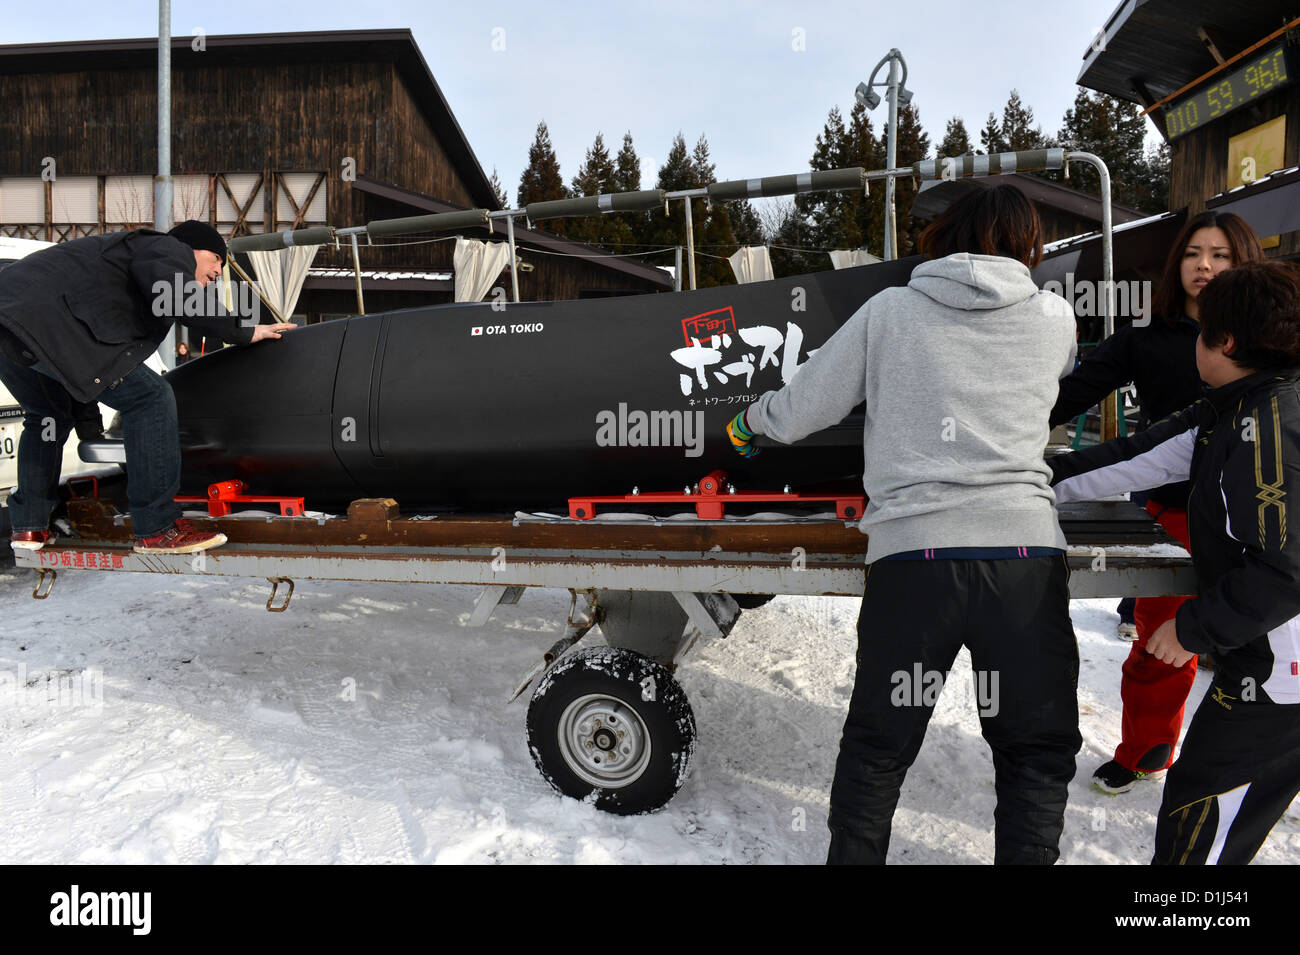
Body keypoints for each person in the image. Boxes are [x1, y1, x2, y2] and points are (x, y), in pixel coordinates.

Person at [727, 184, 1082, 864]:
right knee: (1035, 753)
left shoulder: (891, 310)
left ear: (943, 235)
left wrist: (751, 422)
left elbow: (809, 403)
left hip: (914, 562)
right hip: (1024, 561)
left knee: (879, 747)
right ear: (1029, 243)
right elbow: (1057, 378)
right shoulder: (1054, 319)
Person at [1050, 260, 1300, 864]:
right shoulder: (1231, 410)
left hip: (1279, 673)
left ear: (1227, 342)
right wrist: (1017, 480)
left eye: (1202, 330)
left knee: (1202, 818)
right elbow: (1131, 459)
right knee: (1213, 803)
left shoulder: (1270, 430)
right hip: (1270, 661)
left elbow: (1285, 569)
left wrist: (1192, 631)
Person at [0, 221, 296, 555]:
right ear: (192, 248)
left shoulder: (117, 265)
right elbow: (176, 298)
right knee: (150, 398)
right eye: (216, 259)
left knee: (48, 417)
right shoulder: (167, 248)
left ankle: (29, 526)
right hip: (45, 321)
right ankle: (156, 528)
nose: (217, 272)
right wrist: (244, 331)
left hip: (11, 326)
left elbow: (77, 370)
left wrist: (87, 423)